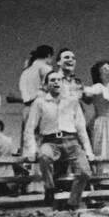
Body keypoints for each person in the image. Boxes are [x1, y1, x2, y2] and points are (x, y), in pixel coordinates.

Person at [22, 70, 94, 208]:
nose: (56, 82)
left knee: (85, 172)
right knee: (44, 156)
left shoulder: (72, 101)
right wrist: (31, 150)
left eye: (59, 80)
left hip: (71, 142)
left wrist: (88, 150)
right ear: (46, 85)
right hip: (50, 142)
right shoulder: (40, 102)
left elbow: (81, 128)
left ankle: (72, 202)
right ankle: (50, 188)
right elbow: (30, 127)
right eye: (52, 80)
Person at [19, 46, 56, 123]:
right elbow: (54, 85)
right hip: (40, 109)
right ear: (49, 55)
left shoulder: (27, 69)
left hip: (27, 109)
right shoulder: (44, 68)